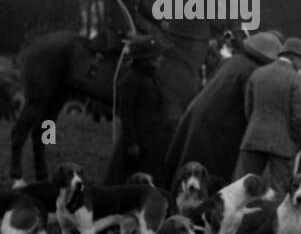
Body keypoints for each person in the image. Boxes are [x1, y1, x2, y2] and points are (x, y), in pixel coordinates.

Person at [162, 32, 282, 187]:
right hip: (217, 129)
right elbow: (252, 109)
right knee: (208, 178)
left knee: (186, 167)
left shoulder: (233, 61)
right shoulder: (252, 71)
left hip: (198, 117)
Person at [237, 38, 301, 194]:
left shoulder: (258, 73)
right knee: (277, 193)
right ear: (294, 57)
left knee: (242, 189)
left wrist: (255, 126)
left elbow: (248, 109)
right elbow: (299, 118)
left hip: (253, 138)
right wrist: (296, 140)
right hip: (283, 145)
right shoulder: (296, 79)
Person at [104, 34, 171, 185]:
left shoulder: (151, 77)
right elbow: (126, 113)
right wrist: (132, 142)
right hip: (138, 142)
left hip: (151, 140)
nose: (161, 58)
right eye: (157, 55)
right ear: (148, 58)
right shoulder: (132, 79)